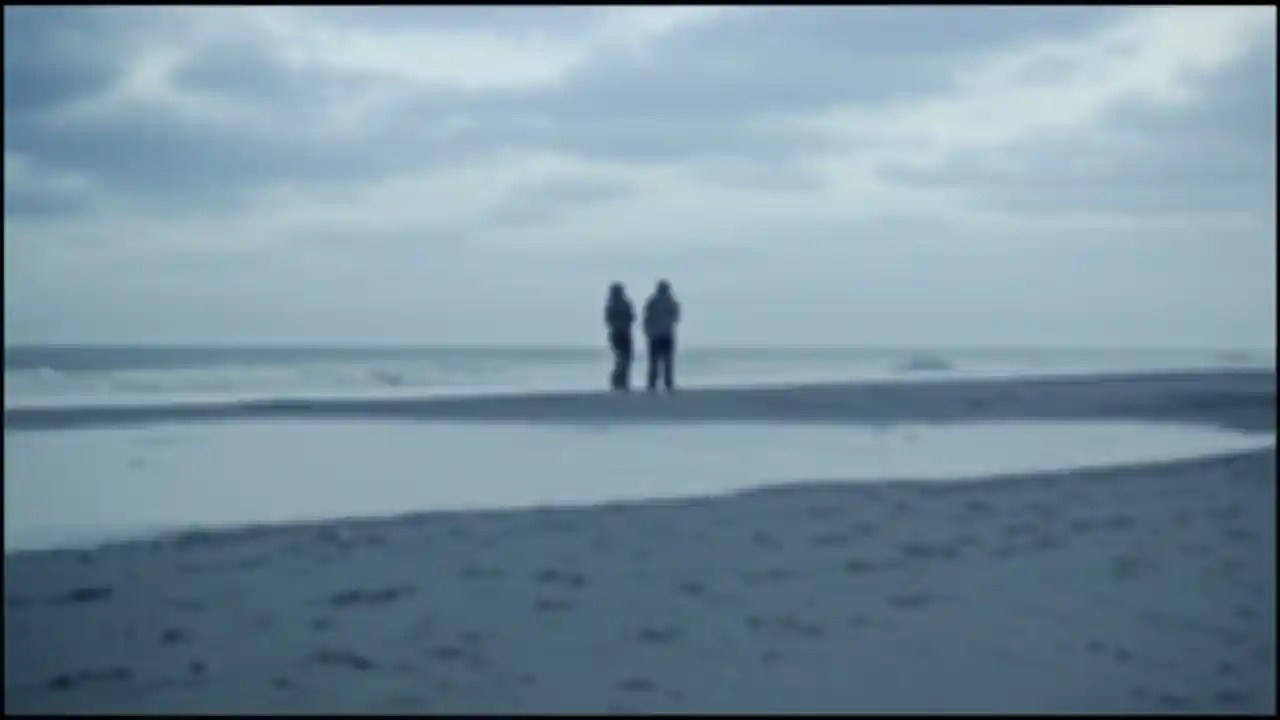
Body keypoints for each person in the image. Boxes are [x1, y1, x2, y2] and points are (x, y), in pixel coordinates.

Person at [642, 279, 680, 392]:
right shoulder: (670, 301)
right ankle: (667, 383)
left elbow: (647, 318)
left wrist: (648, 331)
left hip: (655, 335)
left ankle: (652, 384)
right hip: (665, 334)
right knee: (667, 361)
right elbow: (676, 317)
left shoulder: (652, 301)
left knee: (655, 361)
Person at [604, 282, 635, 391]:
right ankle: (620, 382)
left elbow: (609, 320)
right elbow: (631, 317)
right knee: (624, 359)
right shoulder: (622, 303)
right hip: (621, 333)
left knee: (622, 359)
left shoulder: (612, 304)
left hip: (618, 333)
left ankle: (620, 381)